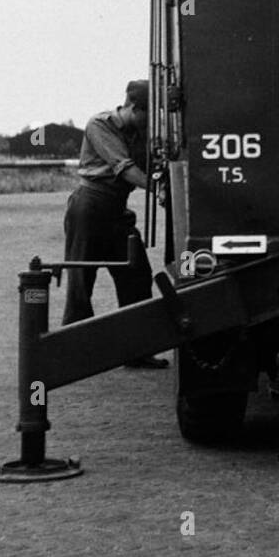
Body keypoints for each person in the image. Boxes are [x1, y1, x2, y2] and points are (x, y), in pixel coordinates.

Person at [61, 79, 166, 368]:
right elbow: (126, 169)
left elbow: (155, 164)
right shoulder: (100, 124)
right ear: (133, 107)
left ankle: (136, 351)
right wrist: (160, 189)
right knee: (81, 281)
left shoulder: (140, 131)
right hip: (89, 207)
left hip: (117, 210)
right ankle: (74, 354)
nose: (152, 121)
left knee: (137, 276)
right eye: (148, 113)